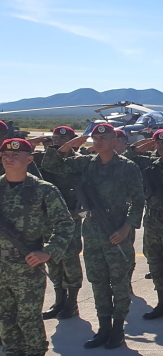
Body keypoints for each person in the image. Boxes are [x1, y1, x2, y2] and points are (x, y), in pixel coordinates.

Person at [43, 123, 145, 350]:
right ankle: (104, 328)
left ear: (114, 141)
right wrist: (71, 144)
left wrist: (127, 228)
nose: (98, 142)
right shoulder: (86, 163)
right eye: (95, 139)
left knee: (119, 283)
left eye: (103, 138)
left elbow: (139, 200)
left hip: (116, 231)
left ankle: (118, 329)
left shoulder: (127, 167)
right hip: (92, 231)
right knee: (98, 282)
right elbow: (51, 164)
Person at [0, 138, 75, 356]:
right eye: (5, 154)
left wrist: (48, 252)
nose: (8, 157)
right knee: (5, 321)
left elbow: (65, 224)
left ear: (30, 159)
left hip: (27, 267)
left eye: (16, 154)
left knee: (29, 321)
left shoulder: (44, 190)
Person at [125, 130, 163, 322]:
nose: (159, 146)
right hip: (152, 220)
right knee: (154, 262)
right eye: (157, 143)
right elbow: (127, 159)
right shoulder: (149, 164)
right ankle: (162, 304)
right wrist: (139, 147)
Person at [32, 126, 84, 320]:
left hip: (70, 218)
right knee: (53, 260)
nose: (58, 142)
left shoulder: (78, 161)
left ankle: (72, 302)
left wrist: (79, 212)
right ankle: (59, 300)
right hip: (47, 219)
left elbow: (86, 190)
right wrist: (36, 142)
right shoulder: (42, 159)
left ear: (73, 140)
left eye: (64, 139)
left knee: (70, 259)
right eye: (55, 138)